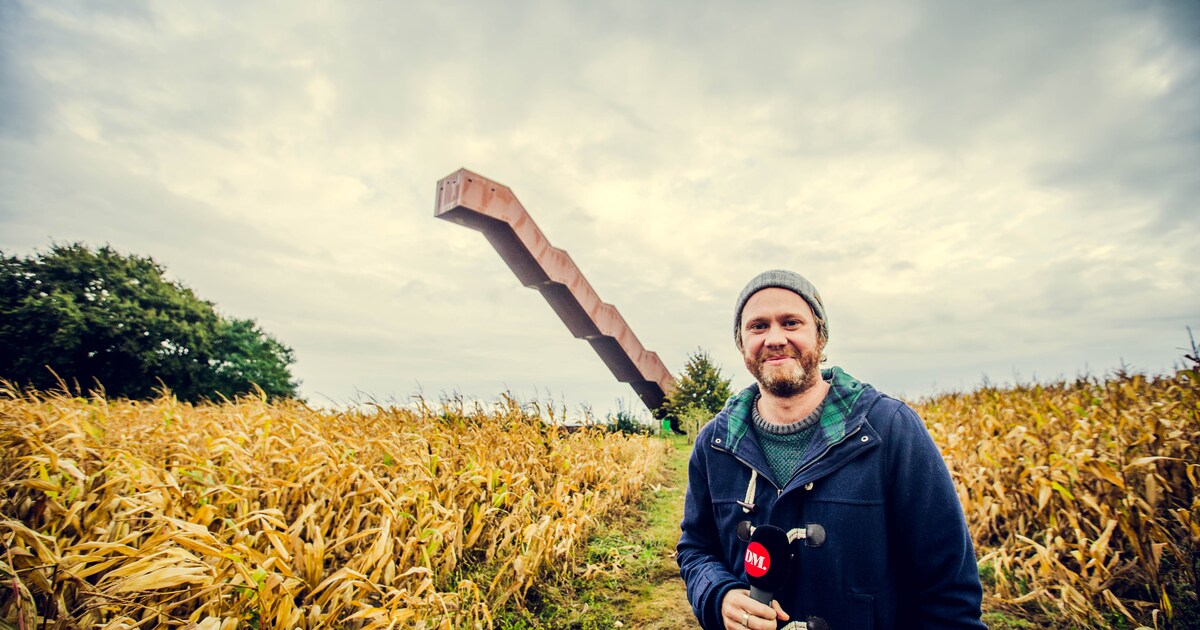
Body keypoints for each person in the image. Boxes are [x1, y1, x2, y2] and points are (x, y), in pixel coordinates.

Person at [677, 270, 985, 630]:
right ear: (742, 344)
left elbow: (947, 588)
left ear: (820, 336)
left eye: (791, 322)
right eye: (757, 327)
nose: (775, 339)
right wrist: (718, 595)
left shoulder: (890, 430)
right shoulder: (715, 443)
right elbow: (695, 548)